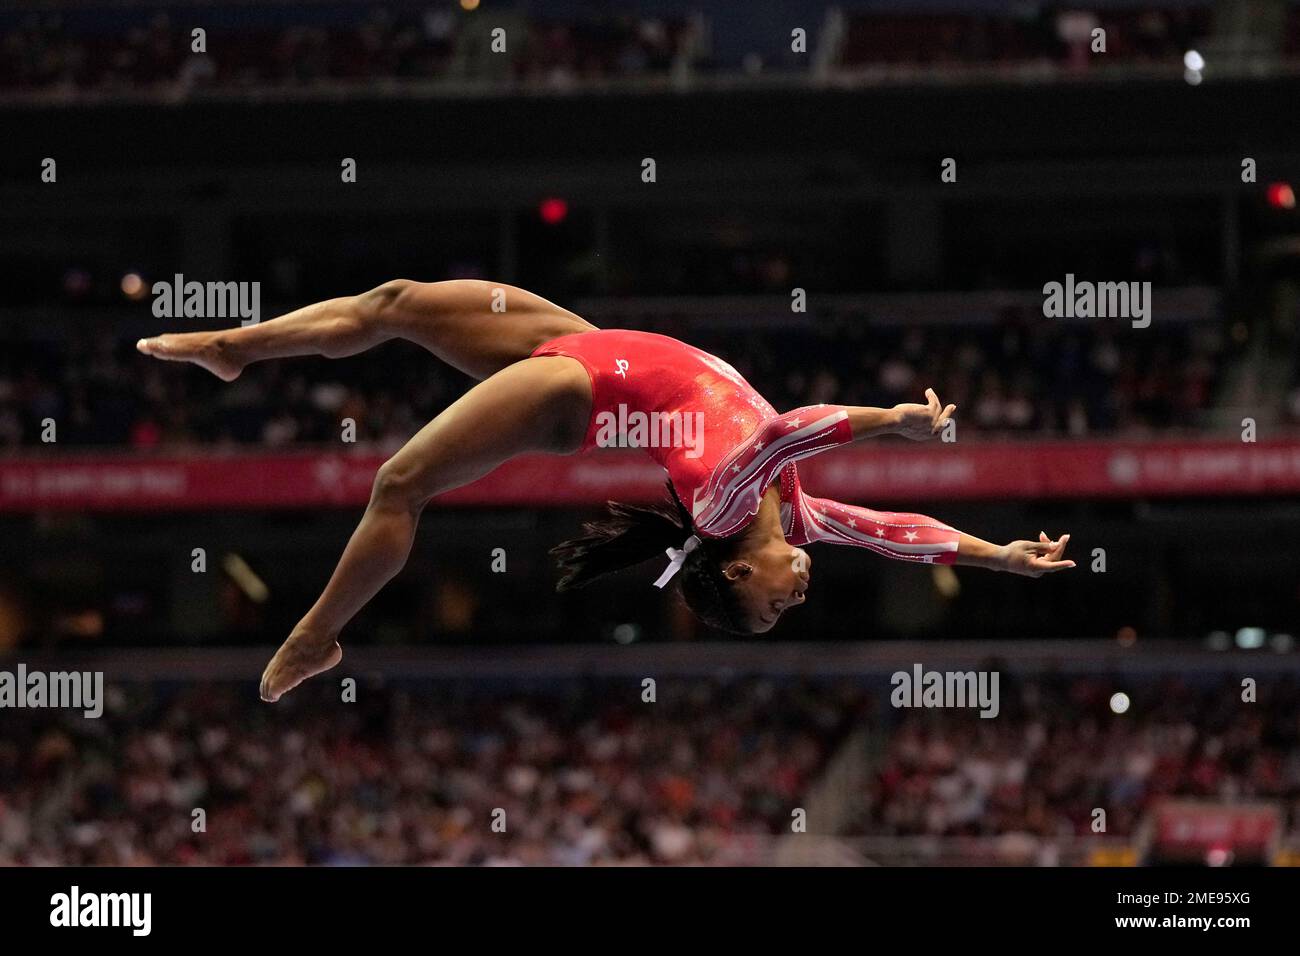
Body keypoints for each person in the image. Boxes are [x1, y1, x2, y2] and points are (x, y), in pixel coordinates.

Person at [138, 279, 1073, 701]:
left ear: (739, 577)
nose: (796, 598)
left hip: (580, 391)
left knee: (400, 482)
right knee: (394, 305)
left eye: (772, 612)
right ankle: (236, 347)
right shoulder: (805, 516)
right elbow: (895, 533)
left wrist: (891, 421)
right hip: (595, 346)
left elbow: (786, 427)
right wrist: (997, 554)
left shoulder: (723, 508)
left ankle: (314, 636)